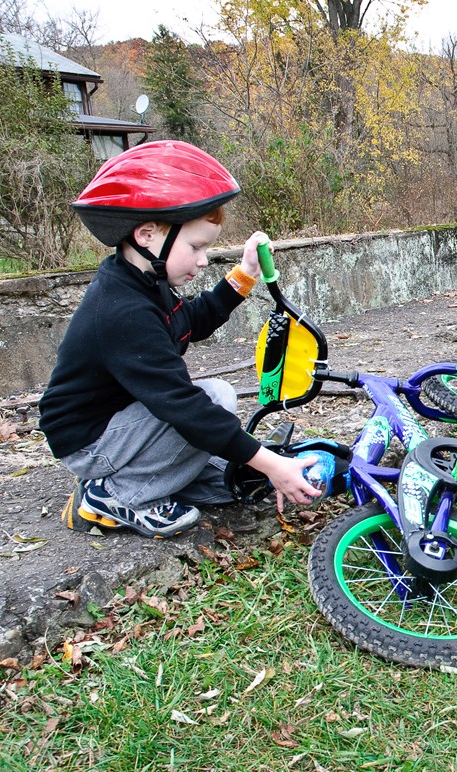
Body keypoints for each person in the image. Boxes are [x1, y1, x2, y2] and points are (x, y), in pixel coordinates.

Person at [39, 140, 321, 539]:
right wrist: (269, 464)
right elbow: (181, 407)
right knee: (209, 403)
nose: (203, 260)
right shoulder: (123, 310)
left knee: (218, 406)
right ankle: (111, 496)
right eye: (196, 247)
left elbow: (188, 322)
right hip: (90, 441)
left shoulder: (142, 282)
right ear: (148, 234)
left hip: (124, 421)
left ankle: (166, 478)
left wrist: (245, 274)